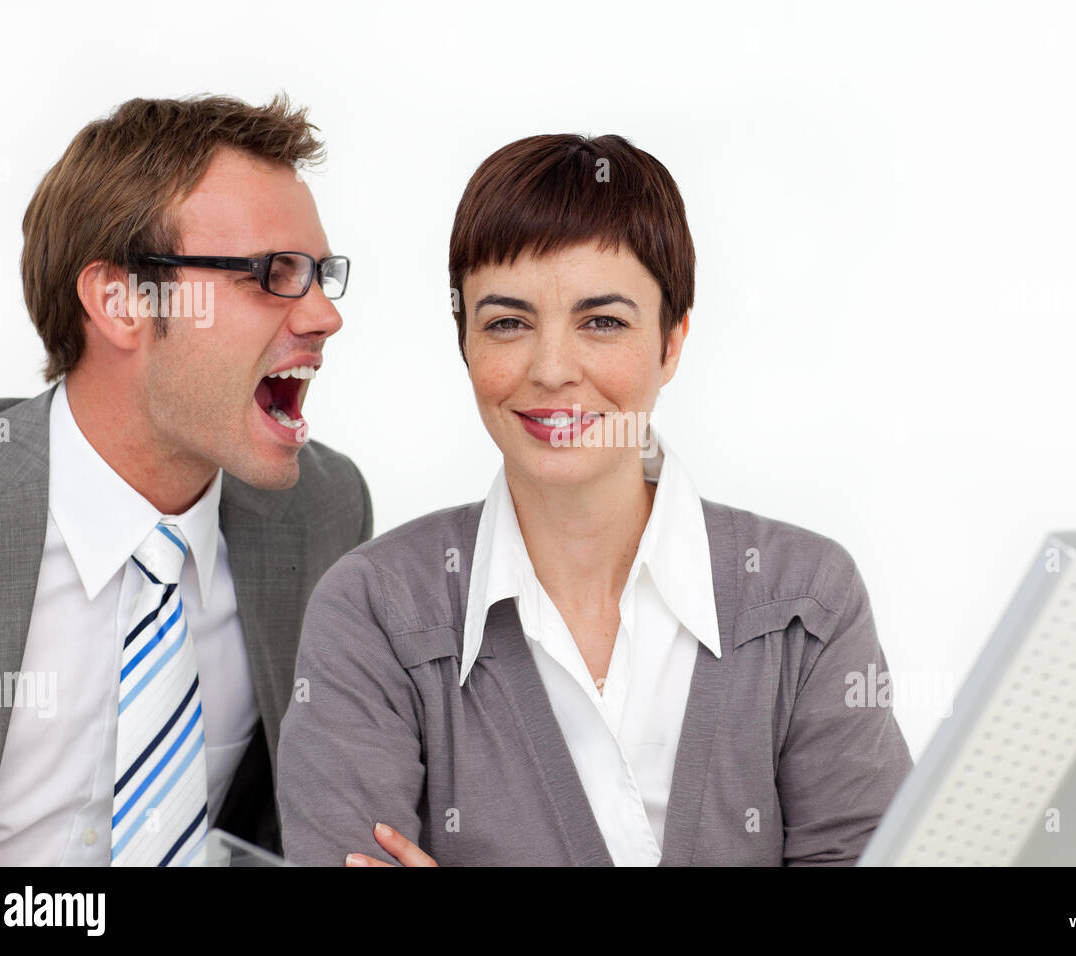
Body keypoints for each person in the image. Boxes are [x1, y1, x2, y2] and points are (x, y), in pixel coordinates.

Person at [277, 133, 912, 866]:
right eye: (507, 323)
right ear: (465, 344)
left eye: (602, 321)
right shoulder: (373, 614)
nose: (551, 370)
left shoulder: (807, 604)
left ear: (673, 341)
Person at [0, 94, 372, 866]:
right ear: (120, 303)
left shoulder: (322, 511)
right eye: (271, 274)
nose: (322, 316)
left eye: (319, 274)